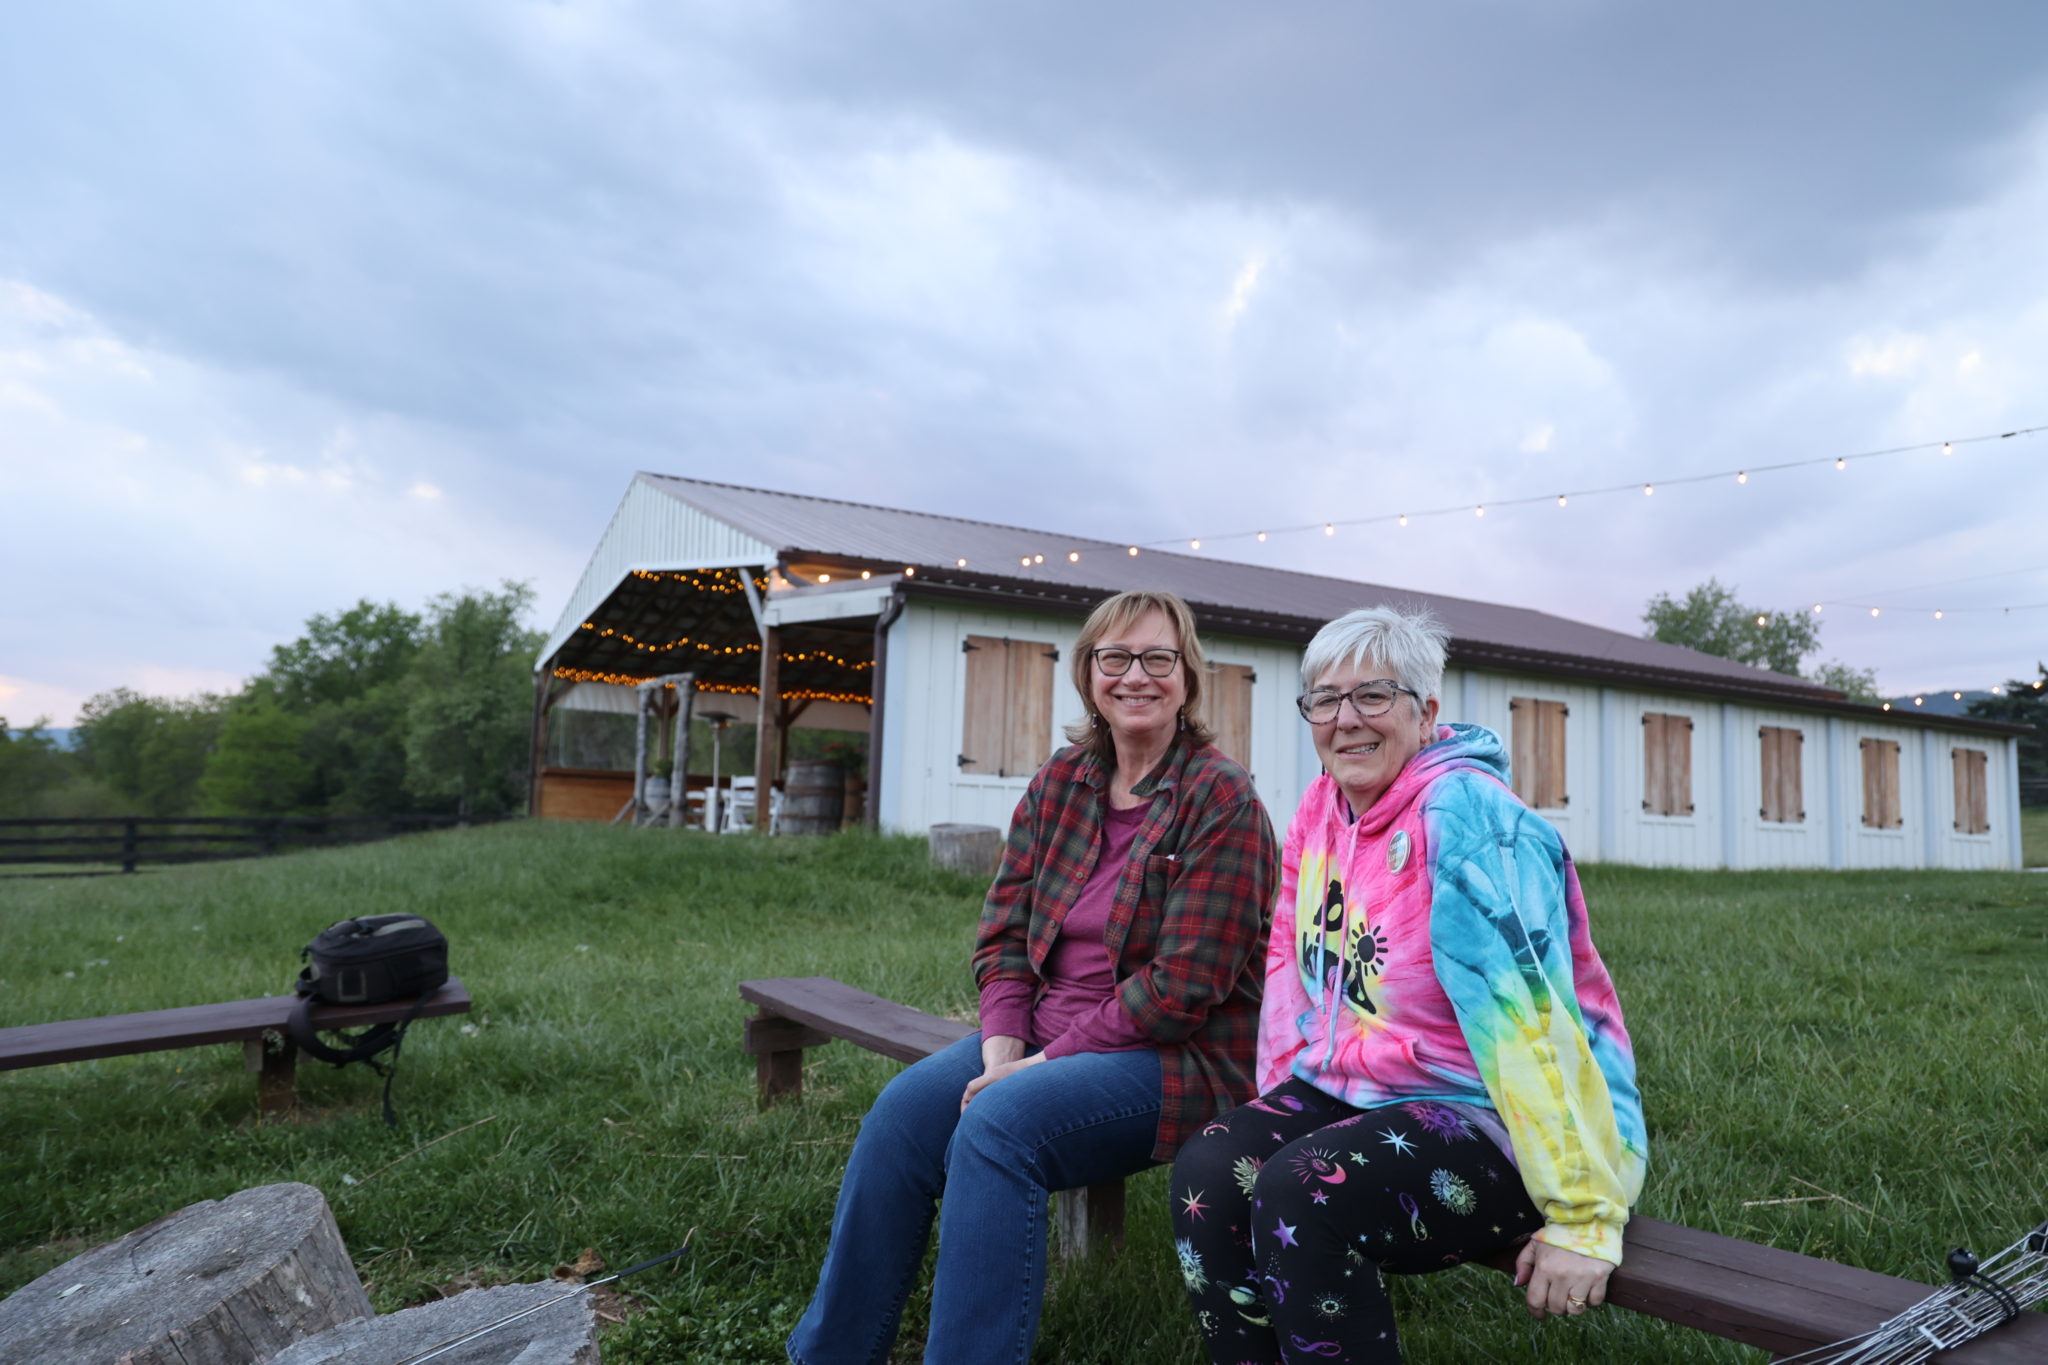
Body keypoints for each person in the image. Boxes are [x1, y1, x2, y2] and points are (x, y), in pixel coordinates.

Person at [788, 589, 1279, 1365]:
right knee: (900, 1117)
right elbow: (1005, 933)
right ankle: (831, 1354)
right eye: (1115, 658)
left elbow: (1183, 986)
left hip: (1177, 1056)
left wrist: (1037, 1067)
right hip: (1044, 1039)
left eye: (1158, 658)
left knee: (999, 1125)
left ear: (1187, 676)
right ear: (1089, 674)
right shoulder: (1062, 780)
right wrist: (1002, 1050)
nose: (1136, 676)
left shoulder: (1221, 798)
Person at [1169, 606, 1646, 1364]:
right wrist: (1278, 1103)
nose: (1345, 719)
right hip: (1361, 1090)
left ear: (1425, 713)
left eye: (1373, 695)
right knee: (1210, 1171)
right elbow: (1291, 974)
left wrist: (1583, 1216)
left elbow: (1530, 1022)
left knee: (1301, 1190)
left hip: (1494, 1117)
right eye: (1326, 699)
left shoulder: (1466, 817)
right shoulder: (1323, 806)